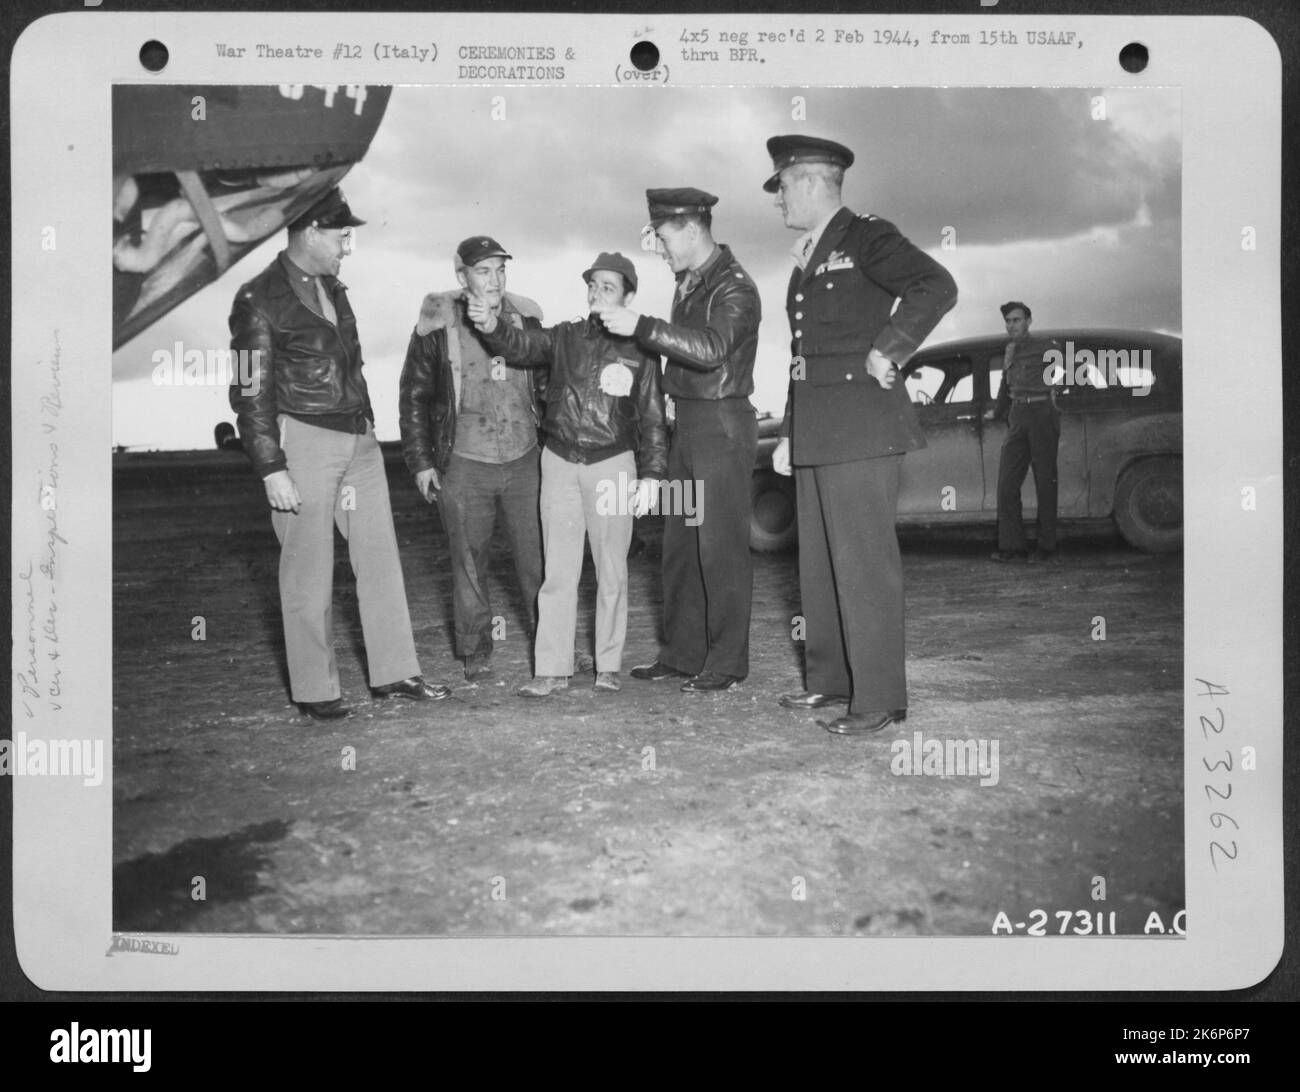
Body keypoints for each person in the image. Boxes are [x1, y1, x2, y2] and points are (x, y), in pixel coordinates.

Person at [228, 187, 450, 720]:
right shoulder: (257, 298)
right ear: (309, 231)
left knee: (379, 557)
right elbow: (247, 390)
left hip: (360, 440)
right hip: (302, 440)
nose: (347, 246)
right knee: (307, 567)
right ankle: (315, 689)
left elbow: (351, 365)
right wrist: (270, 467)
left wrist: (369, 422)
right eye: (341, 234)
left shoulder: (335, 288)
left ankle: (395, 672)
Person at [764, 135, 957, 736]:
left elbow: (936, 285)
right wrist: (792, 432)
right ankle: (831, 683)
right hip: (820, 429)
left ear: (813, 183)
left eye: (783, 187)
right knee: (819, 563)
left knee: (863, 563)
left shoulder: (867, 235)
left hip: (864, 427)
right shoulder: (809, 254)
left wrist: (889, 349)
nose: (778, 201)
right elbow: (804, 352)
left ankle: (878, 698)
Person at [468, 252, 668, 696]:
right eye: (593, 285)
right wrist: (489, 326)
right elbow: (518, 348)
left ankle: (608, 665)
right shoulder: (563, 337)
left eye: (609, 287)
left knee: (612, 569)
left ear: (629, 296)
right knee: (558, 571)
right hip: (558, 461)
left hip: (614, 464)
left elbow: (654, 418)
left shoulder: (644, 350)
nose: (598, 293)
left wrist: (653, 476)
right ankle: (551, 670)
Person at [595, 189, 761, 694]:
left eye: (664, 237)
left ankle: (727, 664)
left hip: (721, 427)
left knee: (720, 548)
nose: (660, 248)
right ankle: (684, 654)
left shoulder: (735, 287)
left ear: (692, 228)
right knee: (682, 546)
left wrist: (642, 326)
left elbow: (710, 350)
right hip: (688, 426)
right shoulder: (690, 284)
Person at [397, 236, 547, 682]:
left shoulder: (528, 317)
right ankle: (475, 648)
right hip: (463, 461)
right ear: (461, 276)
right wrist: (422, 461)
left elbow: (549, 384)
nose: (495, 279)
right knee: (468, 560)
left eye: (501, 270)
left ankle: (551, 644)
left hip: (525, 459)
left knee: (538, 558)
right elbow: (414, 395)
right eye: (484, 271)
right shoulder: (436, 324)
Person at [985, 302, 1063, 563]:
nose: (1011, 325)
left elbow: (1069, 375)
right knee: (1007, 483)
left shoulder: (1046, 347)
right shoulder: (1009, 350)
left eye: (1017, 320)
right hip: (1017, 414)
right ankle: (1012, 547)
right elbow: (1004, 385)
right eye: (1008, 320)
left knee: (1045, 481)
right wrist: (996, 412)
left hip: (1041, 412)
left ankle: (1046, 548)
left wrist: (1056, 401)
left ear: (1029, 321)